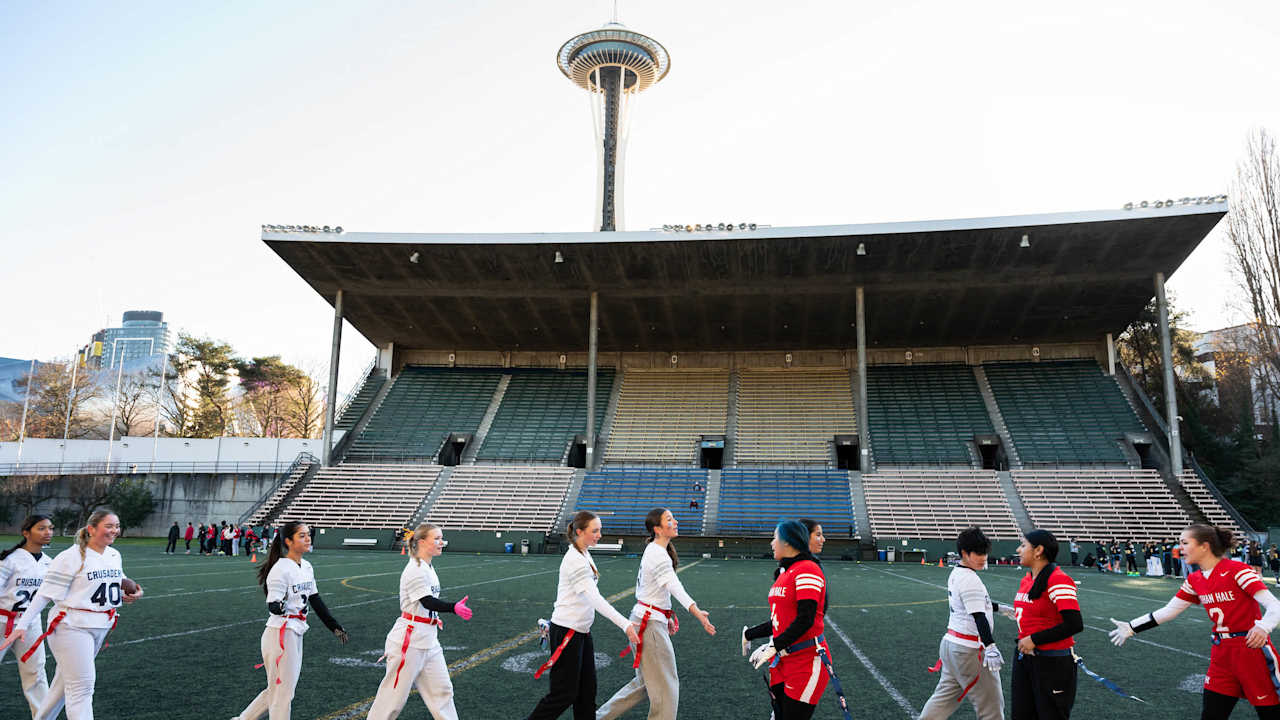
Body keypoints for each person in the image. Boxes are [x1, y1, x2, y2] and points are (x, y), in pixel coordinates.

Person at [1109, 524, 1280, 719]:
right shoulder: (1194, 579)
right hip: (1221, 653)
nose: (1179, 548)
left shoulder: (1237, 570)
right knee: (1211, 714)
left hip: (1251, 651)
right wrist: (1132, 627)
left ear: (1204, 546)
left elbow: (1275, 606)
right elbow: (1169, 611)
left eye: (1184, 543)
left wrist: (1263, 627)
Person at [0, 510, 143, 720]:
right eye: (109, 526)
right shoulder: (69, 556)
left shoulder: (113, 554)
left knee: (59, 683)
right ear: (91, 529)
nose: (114, 530)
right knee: (82, 687)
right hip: (70, 626)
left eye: (117, 526)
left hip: (99, 625)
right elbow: (44, 595)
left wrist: (133, 592)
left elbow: (117, 581)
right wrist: (22, 625)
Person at [597, 508, 716, 720]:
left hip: (646, 620)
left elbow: (655, 590)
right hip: (649, 625)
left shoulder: (656, 550)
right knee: (667, 687)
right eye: (669, 520)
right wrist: (698, 613)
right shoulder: (658, 554)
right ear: (658, 529)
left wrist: (667, 615)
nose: (676, 522)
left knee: (645, 683)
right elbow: (674, 586)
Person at [523, 511, 640, 720]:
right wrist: (625, 625)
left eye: (600, 530)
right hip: (568, 632)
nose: (599, 535)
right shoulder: (575, 559)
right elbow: (594, 598)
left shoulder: (584, 552)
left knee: (587, 693)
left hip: (581, 632)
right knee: (563, 695)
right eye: (594, 531)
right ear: (579, 532)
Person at [232, 520, 349, 720]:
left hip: (296, 631)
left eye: (308, 534)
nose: (307, 538)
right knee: (282, 693)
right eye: (301, 535)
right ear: (288, 541)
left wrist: (334, 627)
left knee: (279, 691)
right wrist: (280, 606)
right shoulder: (280, 568)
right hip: (280, 634)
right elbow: (272, 604)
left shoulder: (307, 566)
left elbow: (315, 599)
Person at [368, 523, 472, 720]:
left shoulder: (427, 566)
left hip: (428, 638)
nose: (442, 542)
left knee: (442, 690)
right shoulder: (415, 569)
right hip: (410, 640)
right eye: (437, 538)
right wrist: (453, 607)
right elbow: (427, 601)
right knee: (392, 700)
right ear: (423, 542)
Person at [743, 519, 837, 720]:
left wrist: (774, 645)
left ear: (788, 542)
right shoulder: (786, 572)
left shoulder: (807, 569)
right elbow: (781, 619)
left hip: (805, 660)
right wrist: (764, 640)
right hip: (782, 661)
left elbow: (806, 619)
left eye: (774, 537)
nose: (771, 543)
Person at [919, 526, 1005, 720]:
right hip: (969, 650)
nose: (983, 557)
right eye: (978, 553)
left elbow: (972, 604)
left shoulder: (957, 573)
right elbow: (978, 615)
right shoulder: (970, 579)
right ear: (965, 553)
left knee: (942, 700)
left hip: (951, 645)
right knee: (992, 709)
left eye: (985, 553)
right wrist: (990, 646)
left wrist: (999, 608)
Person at [1011, 529, 1082, 720]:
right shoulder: (1027, 579)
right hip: (1025, 658)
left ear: (1038, 550)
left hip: (1052, 662)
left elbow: (1074, 624)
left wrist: (1034, 639)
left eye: (1023, 545)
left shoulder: (1058, 579)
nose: (1018, 550)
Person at [0, 515, 54, 717]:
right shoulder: (10, 560)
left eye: (50, 528)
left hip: (30, 624)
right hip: (2, 621)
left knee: (36, 673)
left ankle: (43, 716)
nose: (48, 532)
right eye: (41, 528)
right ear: (26, 532)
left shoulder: (50, 563)